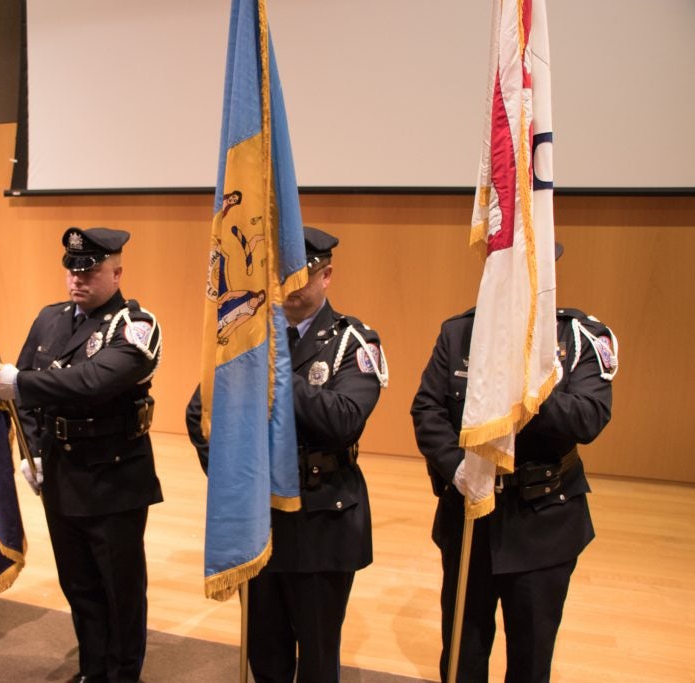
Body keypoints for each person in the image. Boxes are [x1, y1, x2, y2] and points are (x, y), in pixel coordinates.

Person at [186, 227, 389, 683]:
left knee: (317, 655)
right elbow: (200, 414)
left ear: (326, 276)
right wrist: (230, 476)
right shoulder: (243, 337)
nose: (289, 286)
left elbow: (344, 420)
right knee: (265, 652)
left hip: (321, 519)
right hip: (259, 519)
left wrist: (275, 371)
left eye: (302, 275)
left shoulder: (353, 341)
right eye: (281, 275)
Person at [410, 243, 619, 683]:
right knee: (462, 653)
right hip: (470, 514)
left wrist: (526, 392)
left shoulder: (578, 338)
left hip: (542, 521)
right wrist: (456, 468)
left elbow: (589, 418)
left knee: (530, 658)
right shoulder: (459, 333)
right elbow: (427, 410)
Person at [0, 227, 163, 683]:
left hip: (113, 478)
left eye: (89, 272)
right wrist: (32, 451)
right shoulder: (50, 319)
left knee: (119, 587)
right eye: (71, 270)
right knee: (79, 583)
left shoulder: (136, 326)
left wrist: (22, 384)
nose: (77, 280)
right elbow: (24, 398)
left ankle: (123, 674)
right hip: (60, 471)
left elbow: (91, 382)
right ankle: (93, 669)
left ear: (117, 273)